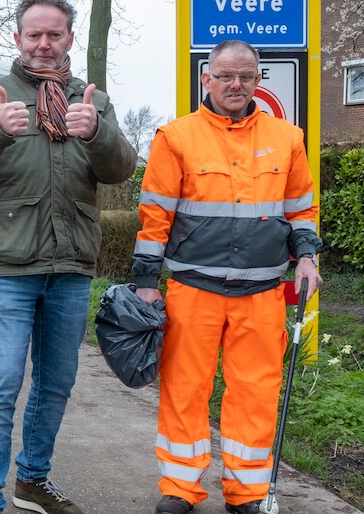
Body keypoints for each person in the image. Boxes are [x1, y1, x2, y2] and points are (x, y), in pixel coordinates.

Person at [0, 0, 138, 514]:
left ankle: (32, 481)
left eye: (54, 34)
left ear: (70, 39)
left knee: (56, 384)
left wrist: (96, 132)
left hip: (72, 265)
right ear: (17, 39)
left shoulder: (90, 100)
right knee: (1, 385)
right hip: (8, 266)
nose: (44, 43)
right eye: (34, 34)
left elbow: (122, 168)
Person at [132, 40, 323, 514]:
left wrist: (306, 258)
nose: (236, 85)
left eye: (246, 76)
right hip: (192, 289)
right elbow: (154, 215)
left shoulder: (288, 138)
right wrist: (145, 282)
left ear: (258, 80)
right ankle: (181, 489)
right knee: (184, 389)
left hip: (261, 292)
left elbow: (302, 209)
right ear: (206, 79)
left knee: (256, 393)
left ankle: (248, 492)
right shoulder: (175, 137)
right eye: (226, 76)